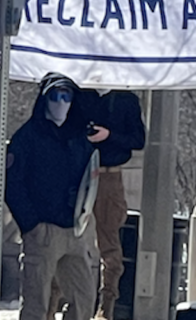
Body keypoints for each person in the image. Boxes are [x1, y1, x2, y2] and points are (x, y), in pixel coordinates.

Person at [5, 73, 97, 320]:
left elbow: (91, 178)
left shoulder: (78, 137)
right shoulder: (27, 137)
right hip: (43, 230)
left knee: (84, 299)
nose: (61, 101)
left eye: (66, 96)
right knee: (37, 304)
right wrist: (31, 225)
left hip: (76, 228)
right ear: (44, 99)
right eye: (55, 95)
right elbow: (11, 184)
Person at [87, 89, 145, 320]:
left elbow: (138, 140)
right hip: (78, 171)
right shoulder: (82, 93)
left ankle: (106, 308)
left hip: (109, 175)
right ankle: (59, 305)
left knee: (109, 244)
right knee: (67, 241)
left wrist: (109, 135)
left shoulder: (125, 99)